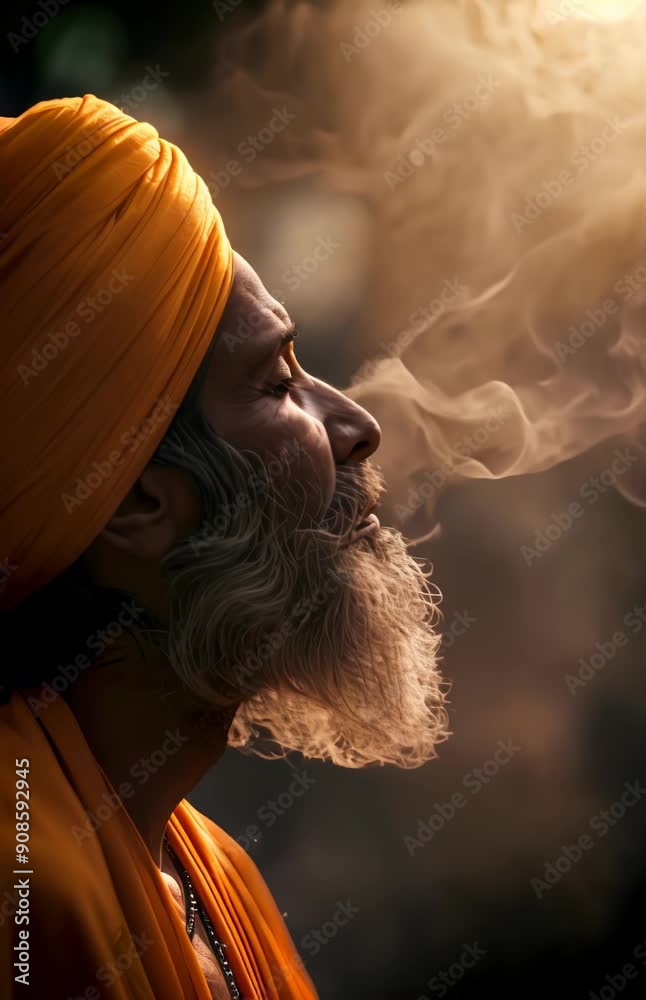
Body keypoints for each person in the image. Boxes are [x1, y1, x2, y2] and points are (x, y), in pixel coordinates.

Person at [0, 94, 450, 999]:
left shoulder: (217, 880)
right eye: (277, 381)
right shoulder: (23, 898)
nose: (356, 427)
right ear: (135, 502)